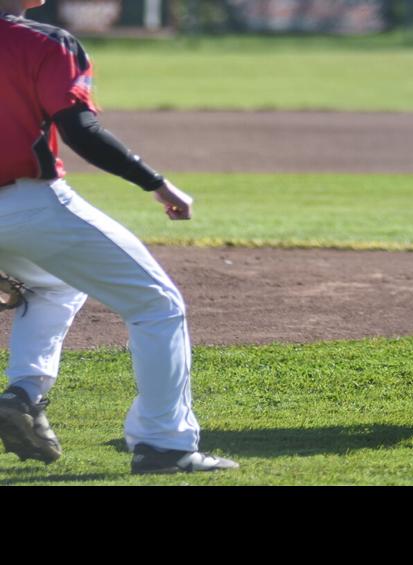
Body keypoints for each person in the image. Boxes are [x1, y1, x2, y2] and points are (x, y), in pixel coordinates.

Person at [0, 0, 236, 473]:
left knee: (54, 283)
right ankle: (165, 445)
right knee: (156, 303)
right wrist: (156, 183)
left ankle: (24, 393)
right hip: (30, 203)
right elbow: (80, 130)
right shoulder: (45, 41)